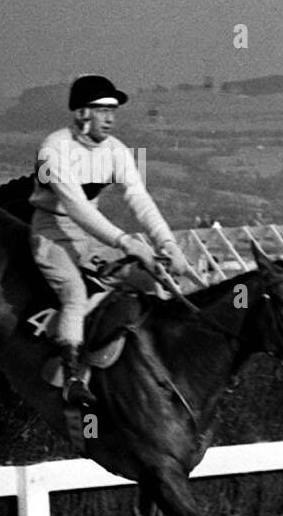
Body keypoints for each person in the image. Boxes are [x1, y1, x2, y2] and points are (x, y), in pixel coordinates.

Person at [29, 74, 189, 407]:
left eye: (113, 111)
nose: (111, 118)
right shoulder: (53, 149)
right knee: (74, 294)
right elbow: (75, 207)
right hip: (52, 233)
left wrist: (168, 245)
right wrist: (126, 243)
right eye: (102, 110)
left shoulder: (118, 151)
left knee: (152, 282)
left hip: (92, 237)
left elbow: (139, 198)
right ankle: (72, 378)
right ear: (81, 114)